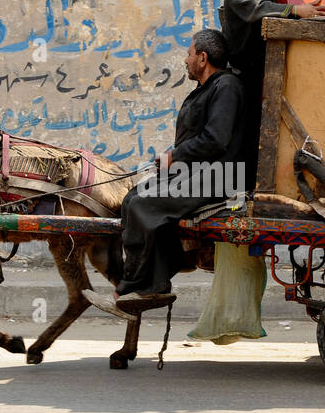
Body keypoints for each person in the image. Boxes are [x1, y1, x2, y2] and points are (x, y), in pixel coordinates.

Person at [85, 29, 248, 317]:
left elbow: (216, 139)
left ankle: (133, 288)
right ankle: (153, 283)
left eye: (188, 54)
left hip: (221, 177)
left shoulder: (227, 87)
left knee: (144, 204)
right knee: (134, 196)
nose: (185, 60)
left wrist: (175, 156)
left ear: (203, 57)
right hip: (197, 171)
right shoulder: (210, 88)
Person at [219, 0, 325, 187]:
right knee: (251, 128)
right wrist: (296, 10)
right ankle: (246, 187)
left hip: (269, 59)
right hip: (245, 66)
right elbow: (257, 8)